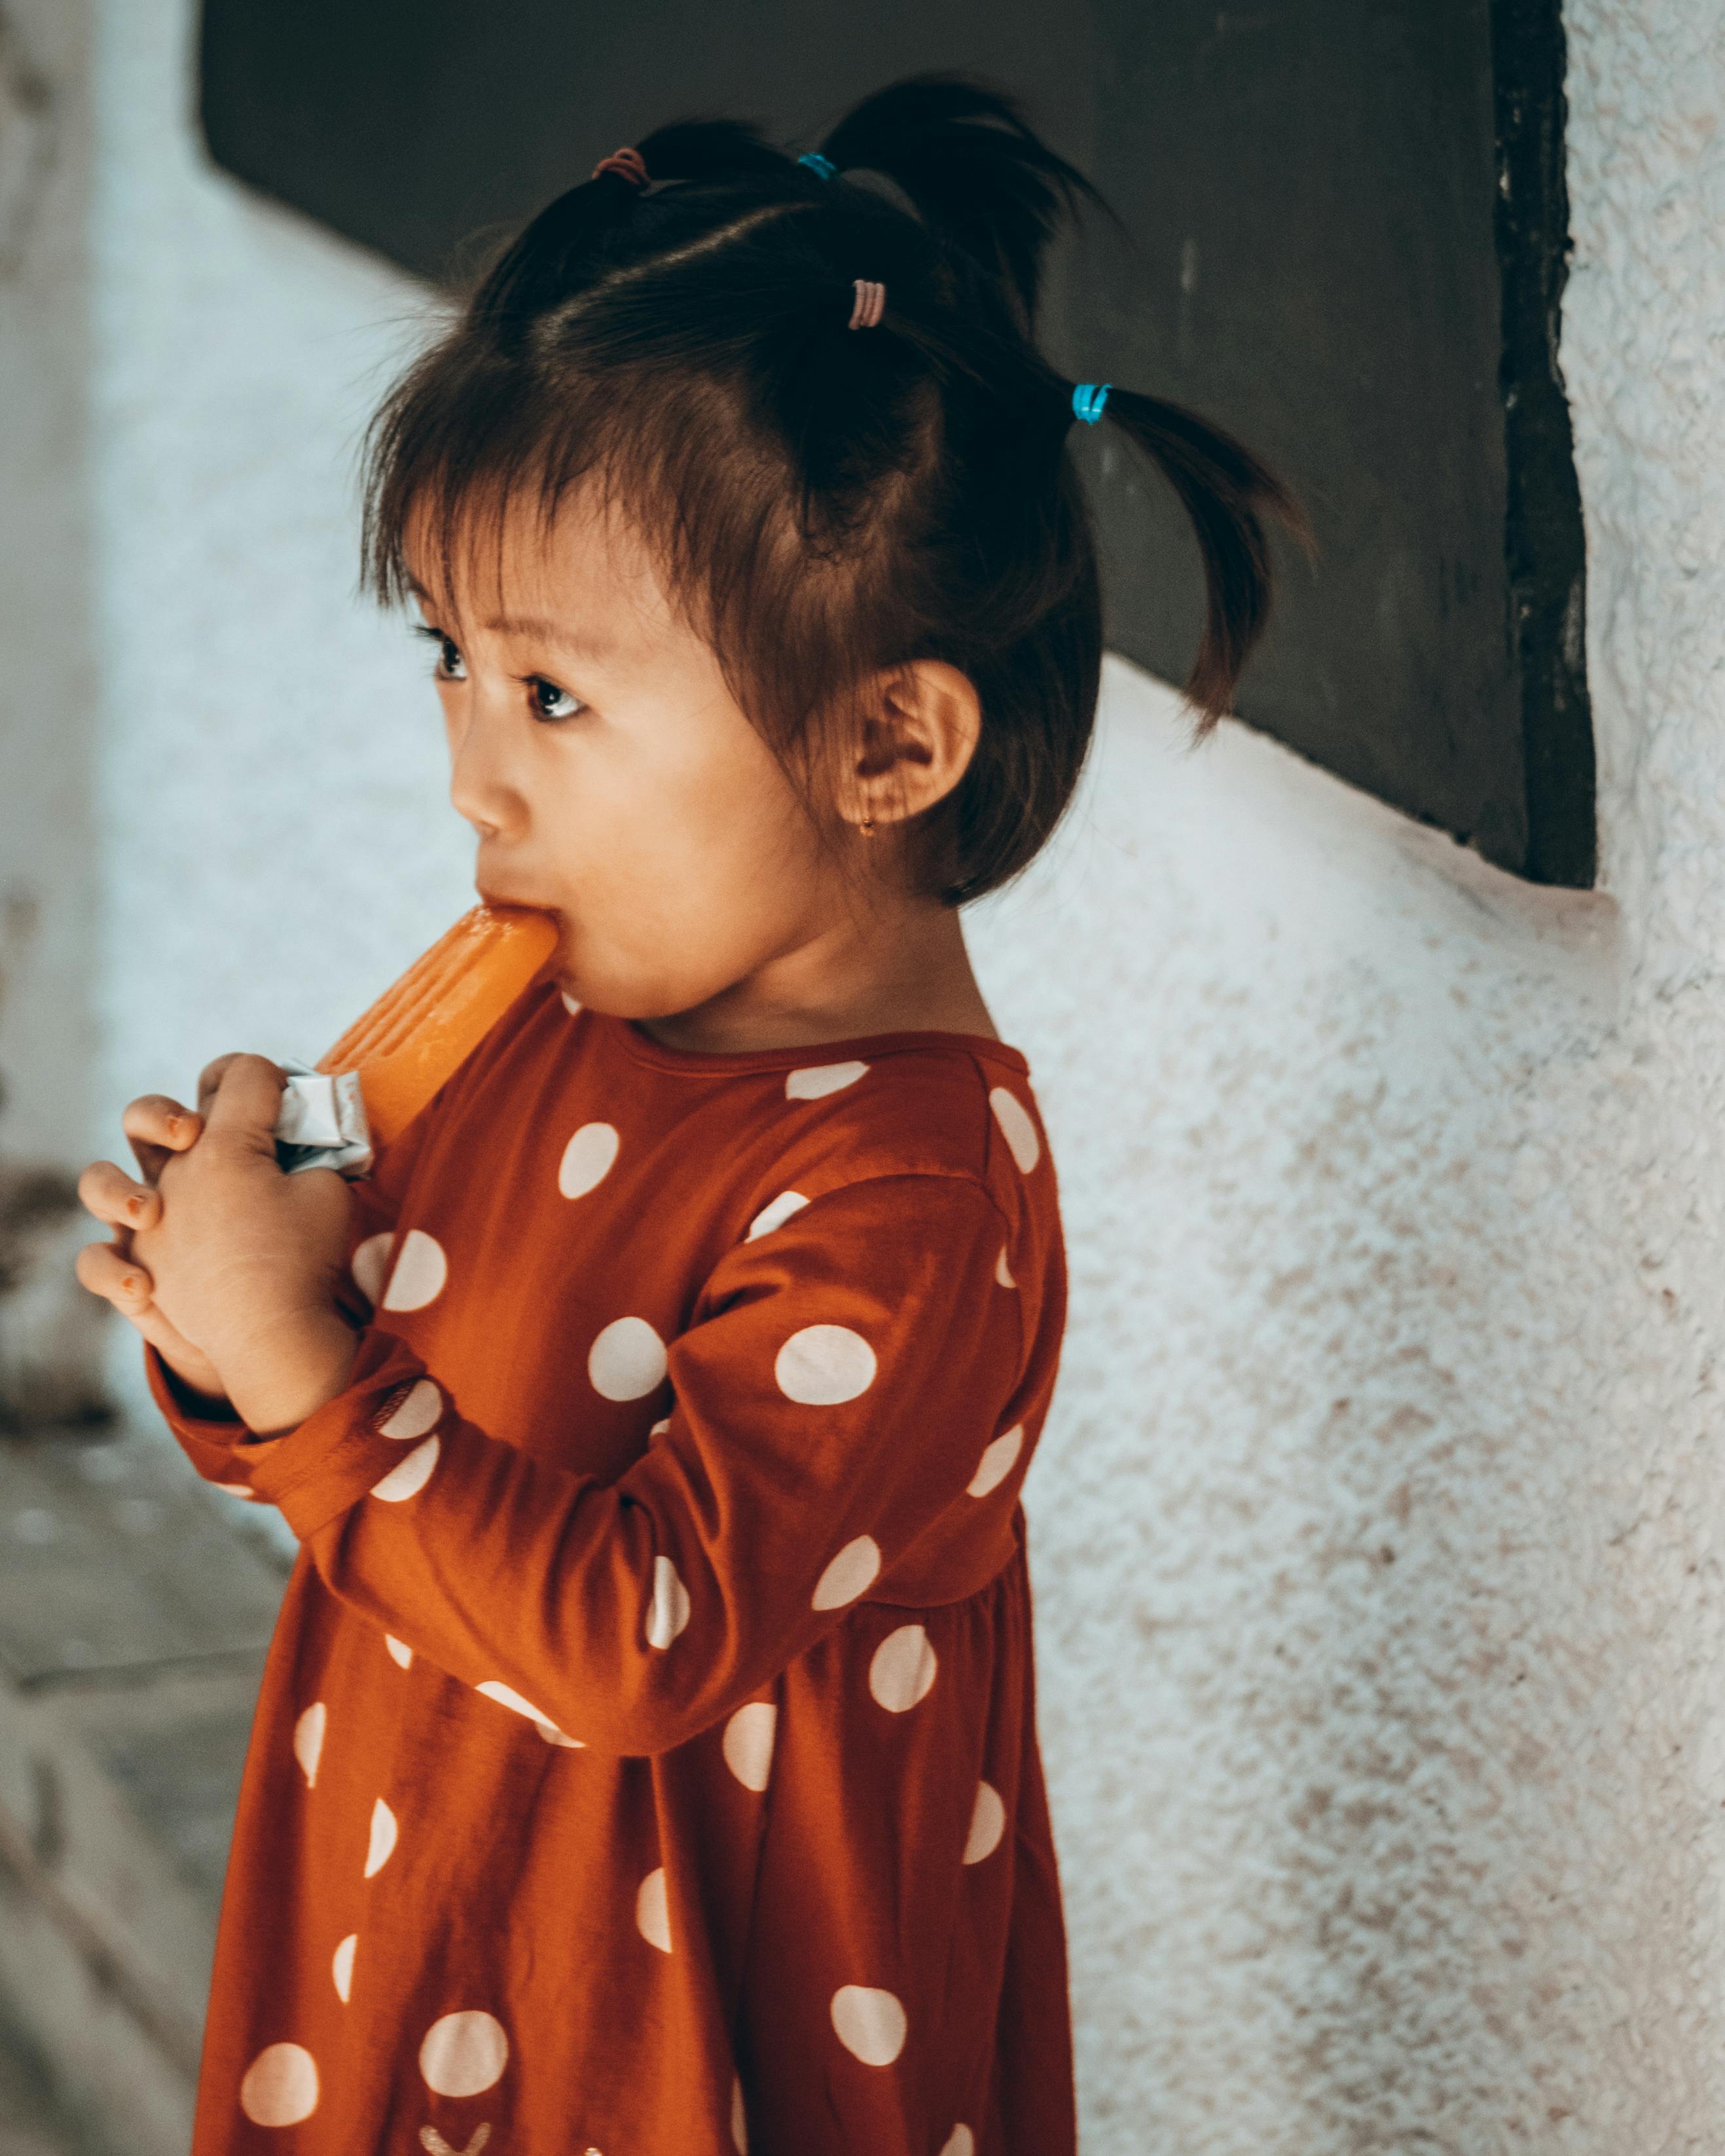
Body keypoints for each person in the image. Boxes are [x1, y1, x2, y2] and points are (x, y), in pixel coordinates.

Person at [75, 73, 1309, 2155]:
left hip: (676, 2043)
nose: (476, 772)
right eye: (448, 663)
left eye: (553, 695)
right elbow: (384, 1424)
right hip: (421, 1910)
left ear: (886, 742)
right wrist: (232, 1324)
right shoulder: (548, 1018)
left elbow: (642, 1638)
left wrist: (300, 1370)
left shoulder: (911, 1196)